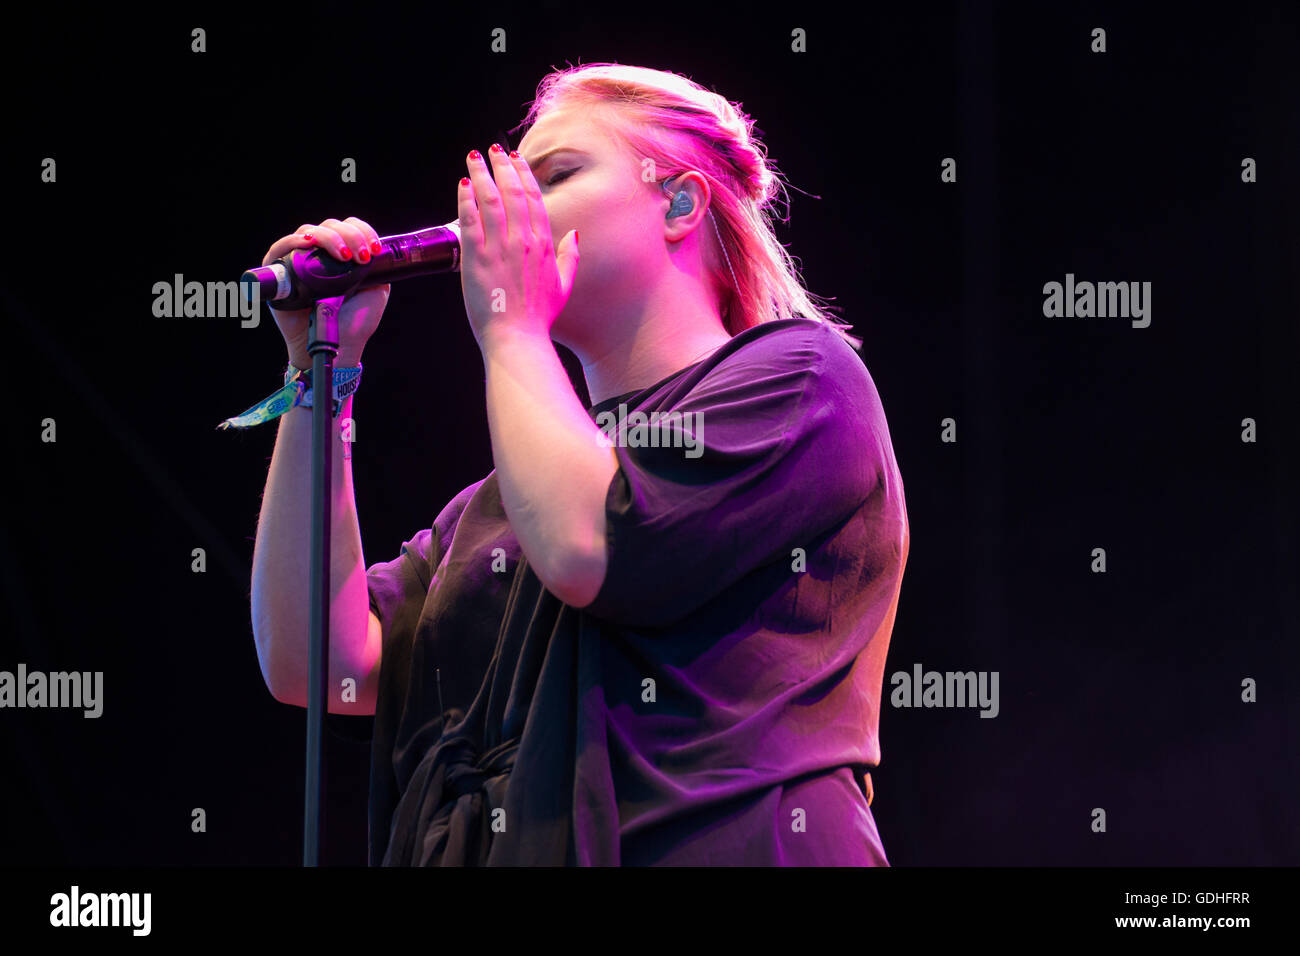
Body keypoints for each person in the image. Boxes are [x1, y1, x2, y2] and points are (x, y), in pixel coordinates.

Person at [249, 63, 909, 866]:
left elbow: (587, 548)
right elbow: (315, 662)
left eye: (555, 176)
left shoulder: (804, 378)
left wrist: (511, 328)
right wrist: (320, 379)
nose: (507, 213)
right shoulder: (492, 509)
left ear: (679, 203)